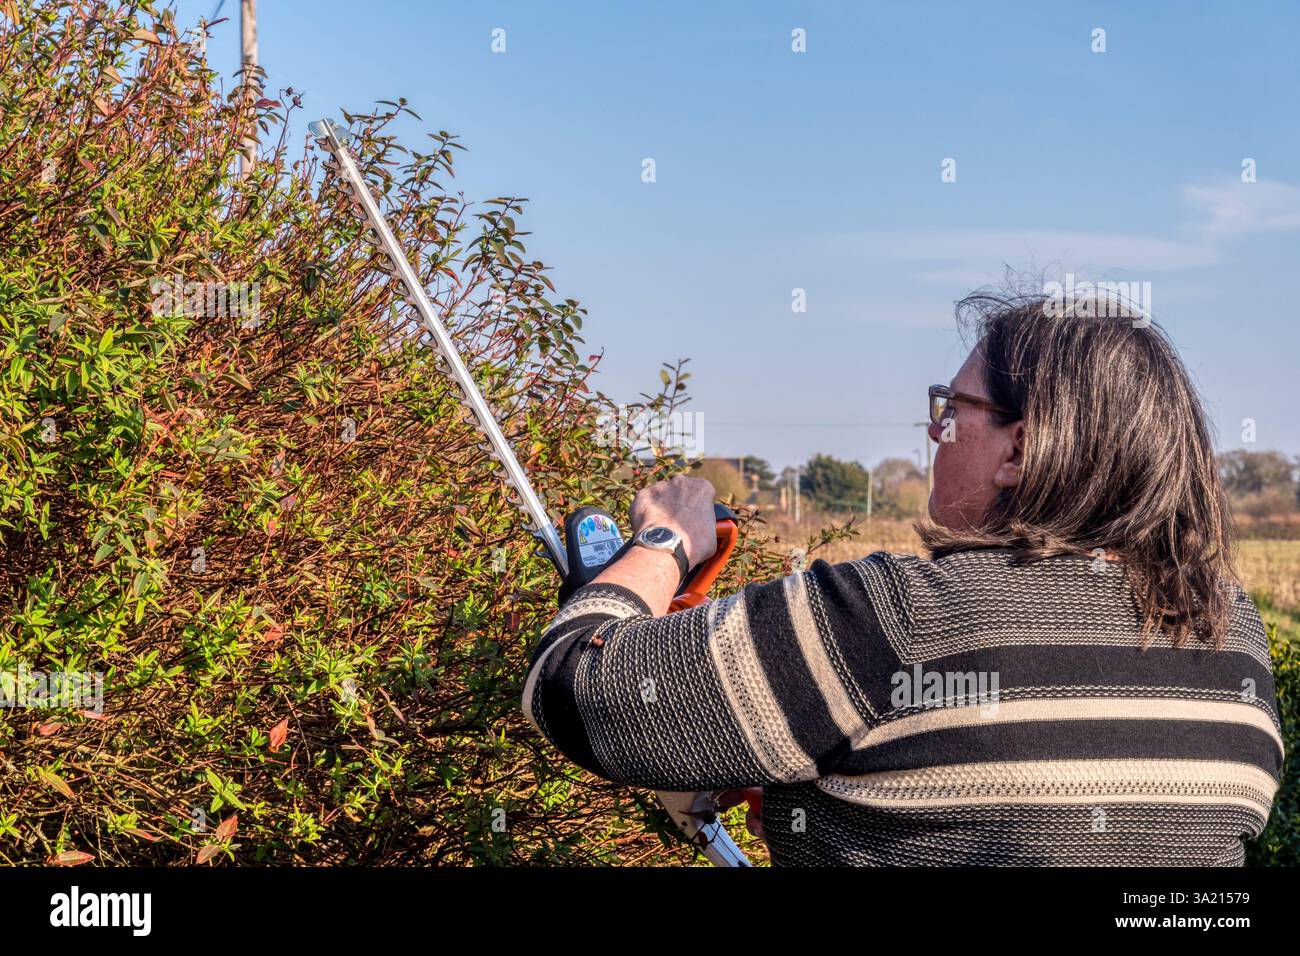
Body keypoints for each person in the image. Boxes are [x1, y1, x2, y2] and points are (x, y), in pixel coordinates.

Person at [521, 292, 1283, 865]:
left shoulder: (899, 619)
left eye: (952, 408)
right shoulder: (1233, 636)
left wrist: (661, 541)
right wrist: (824, 801)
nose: (933, 429)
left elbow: (577, 690)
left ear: (1020, 448)